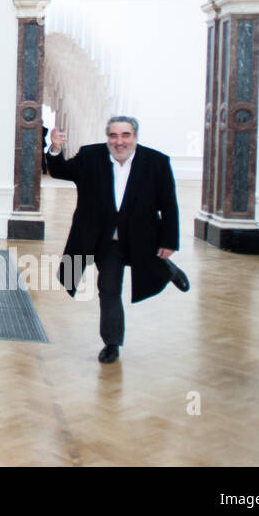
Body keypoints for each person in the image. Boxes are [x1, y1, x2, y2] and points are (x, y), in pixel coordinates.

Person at [47, 116, 186, 363]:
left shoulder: (156, 162)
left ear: (135, 137)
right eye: (113, 135)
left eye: (125, 135)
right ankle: (112, 343)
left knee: (150, 262)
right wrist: (55, 148)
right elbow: (60, 171)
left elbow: (169, 205)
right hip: (106, 240)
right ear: (107, 137)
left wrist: (169, 241)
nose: (119, 141)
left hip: (142, 235)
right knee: (109, 288)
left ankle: (168, 269)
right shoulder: (90, 156)